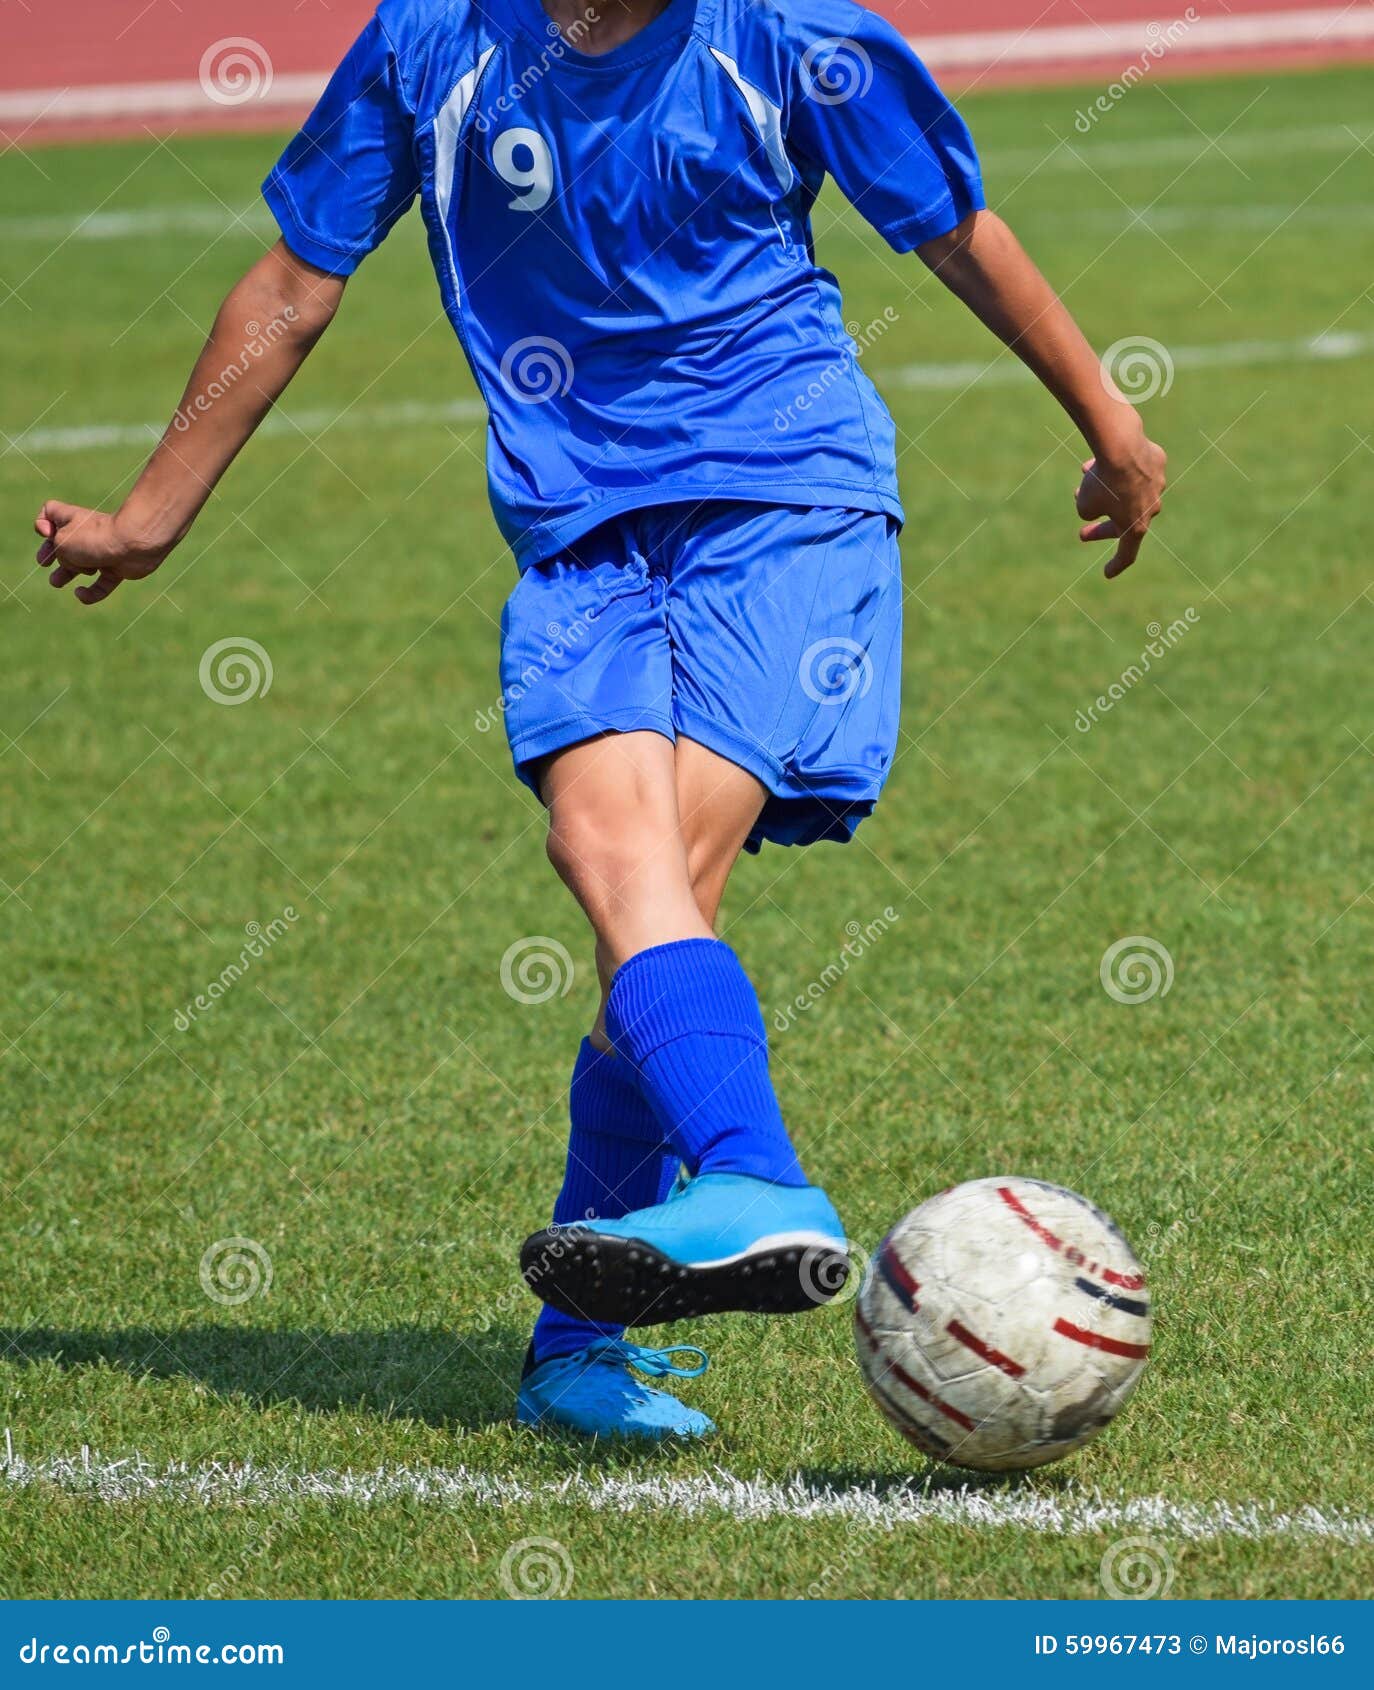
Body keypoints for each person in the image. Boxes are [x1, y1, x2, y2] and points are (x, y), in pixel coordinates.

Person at [31, 0, 1166, 1442]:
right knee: (613, 863)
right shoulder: (431, 42)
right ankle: (610, 1326)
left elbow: (957, 232)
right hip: (576, 534)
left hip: (783, 501)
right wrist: (150, 515)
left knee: (662, 874)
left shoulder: (789, 36)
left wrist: (1110, 426)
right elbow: (294, 282)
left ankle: (719, 1206)